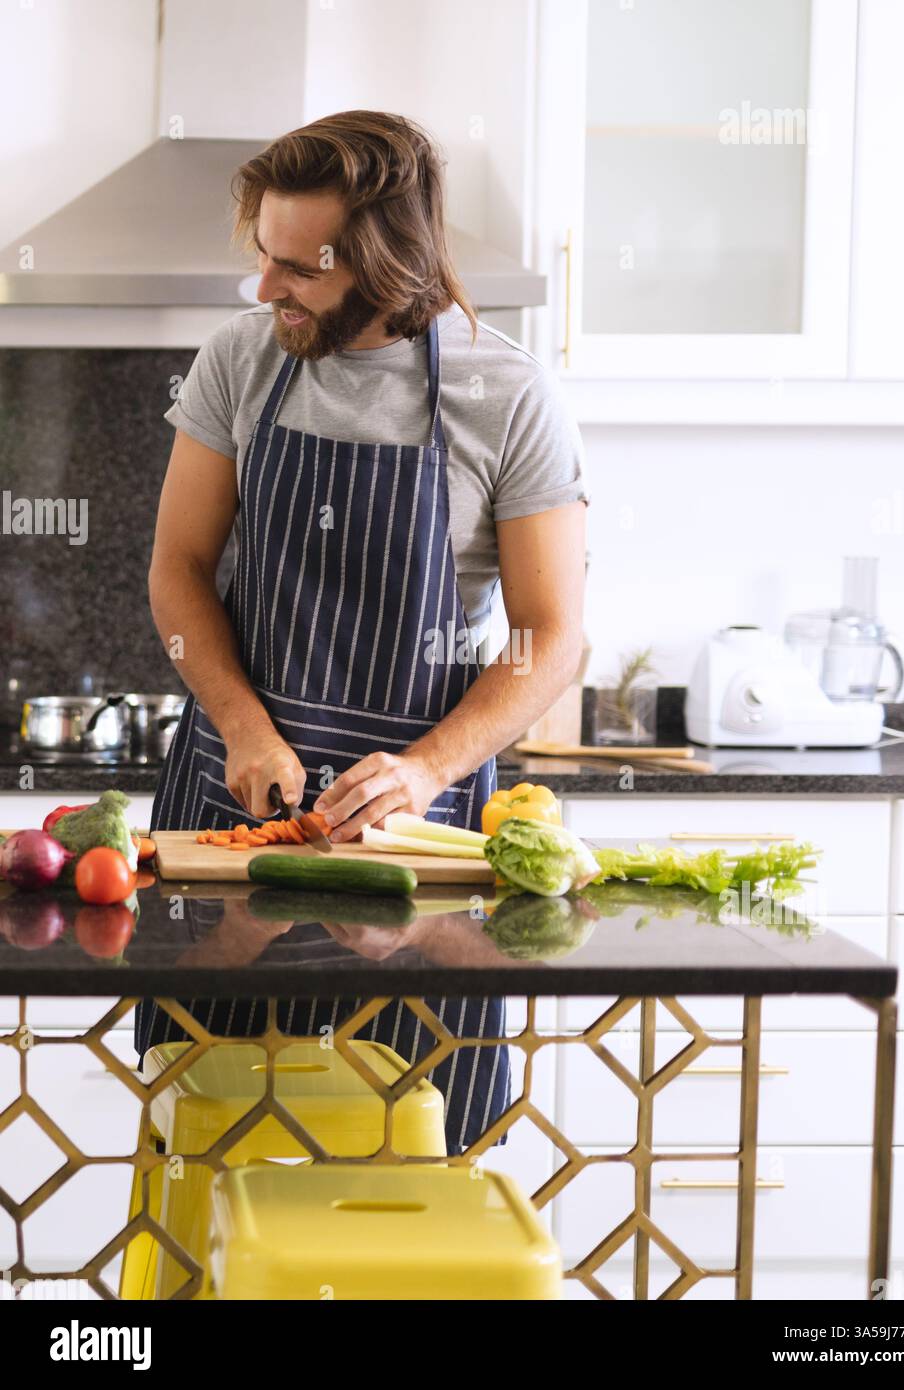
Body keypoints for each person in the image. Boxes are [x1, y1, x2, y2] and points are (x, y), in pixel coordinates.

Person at [136, 110, 588, 1152]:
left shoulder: (506, 394)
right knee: (212, 1150)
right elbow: (179, 570)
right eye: (263, 255)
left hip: (414, 854)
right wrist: (246, 730)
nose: (267, 289)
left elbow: (552, 634)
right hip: (231, 828)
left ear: (385, 264)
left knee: (416, 1168)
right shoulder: (242, 361)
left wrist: (424, 771)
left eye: (300, 268)